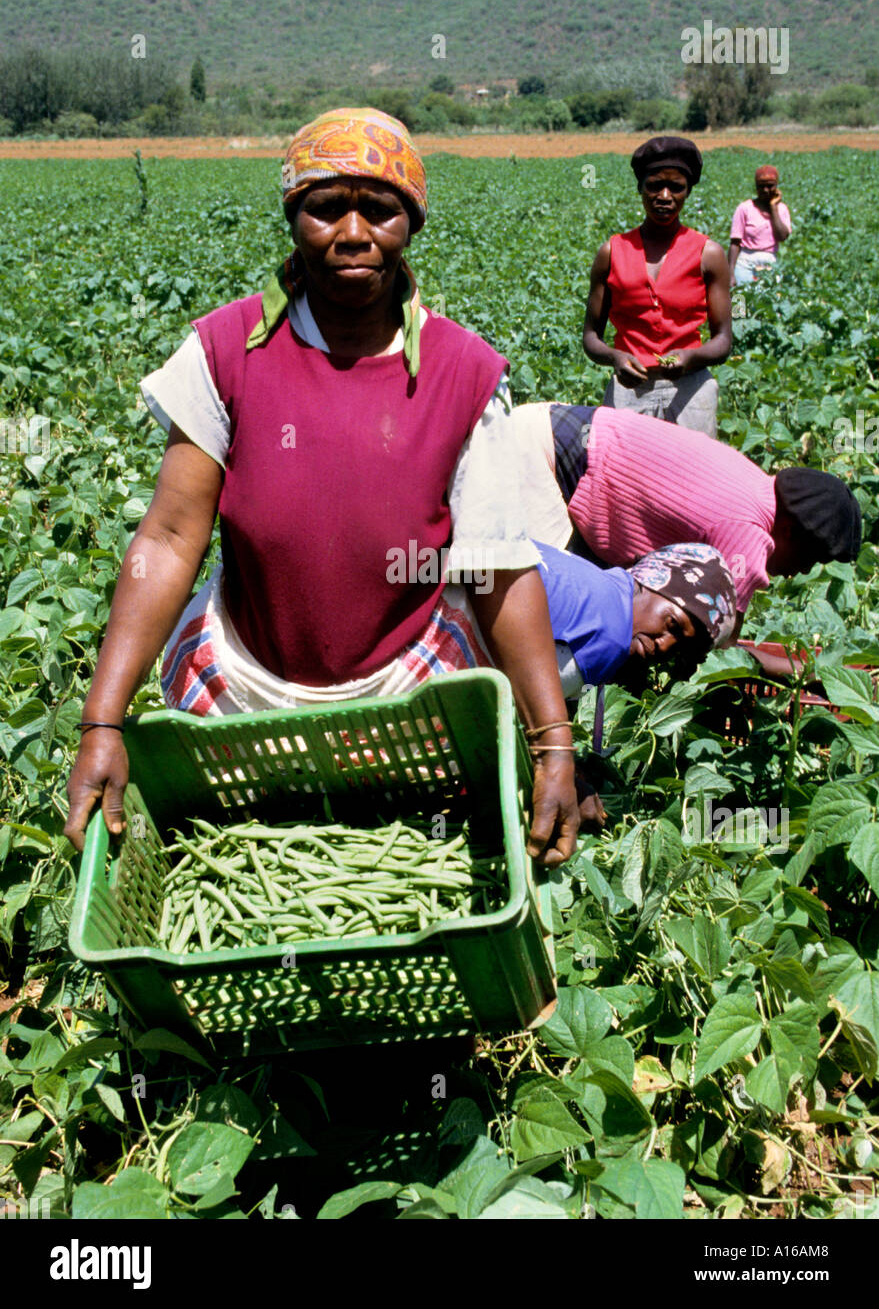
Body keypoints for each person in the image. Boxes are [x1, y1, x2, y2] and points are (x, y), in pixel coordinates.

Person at [63, 108, 580, 868]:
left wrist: (554, 744)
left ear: (411, 222)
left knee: (411, 866)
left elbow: (499, 569)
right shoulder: (225, 351)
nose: (352, 232)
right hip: (241, 682)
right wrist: (101, 723)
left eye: (380, 209)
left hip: (412, 683)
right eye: (324, 207)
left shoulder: (463, 372)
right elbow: (171, 539)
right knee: (242, 863)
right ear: (292, 218)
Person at [513, 402, 862, 677]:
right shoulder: (750, 533)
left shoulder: (756, 487)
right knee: (542, 626)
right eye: (809, 558)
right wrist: (808, 672)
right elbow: (721, 659)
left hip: (551, 427)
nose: (801, 572)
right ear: (788, 530)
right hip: (546, 459)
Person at [537, 538, 737, 829]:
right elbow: (510, 707)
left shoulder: (594, 579)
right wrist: (562, 779)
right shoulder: (610, 634)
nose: (665, 646)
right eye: (672, 625)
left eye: (679, 647)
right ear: (650, 580)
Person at [582, 135, 732, 438]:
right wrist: (615, 356)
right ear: (640, 188)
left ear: (688, 191)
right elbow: (590, 337)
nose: (664, 196)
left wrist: (690, 357)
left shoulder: (709, 254)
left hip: (690, 390)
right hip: (629, 390)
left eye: (676, 187)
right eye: (654, 185)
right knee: (625, 478)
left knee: (693, 478)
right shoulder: (612, 252)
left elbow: (724, 340)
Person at [728, 165, 791, 287]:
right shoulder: (744, 208)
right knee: (740, 303)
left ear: (776, 186)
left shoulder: (782, 209)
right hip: (745, 264)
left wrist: (773, 207)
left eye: (770, 185)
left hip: (770, 264)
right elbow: (735, 243)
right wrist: (730, 273)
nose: (766, 190)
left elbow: (782, 236)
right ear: (756, 187)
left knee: (768, 304)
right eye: (761, 186)